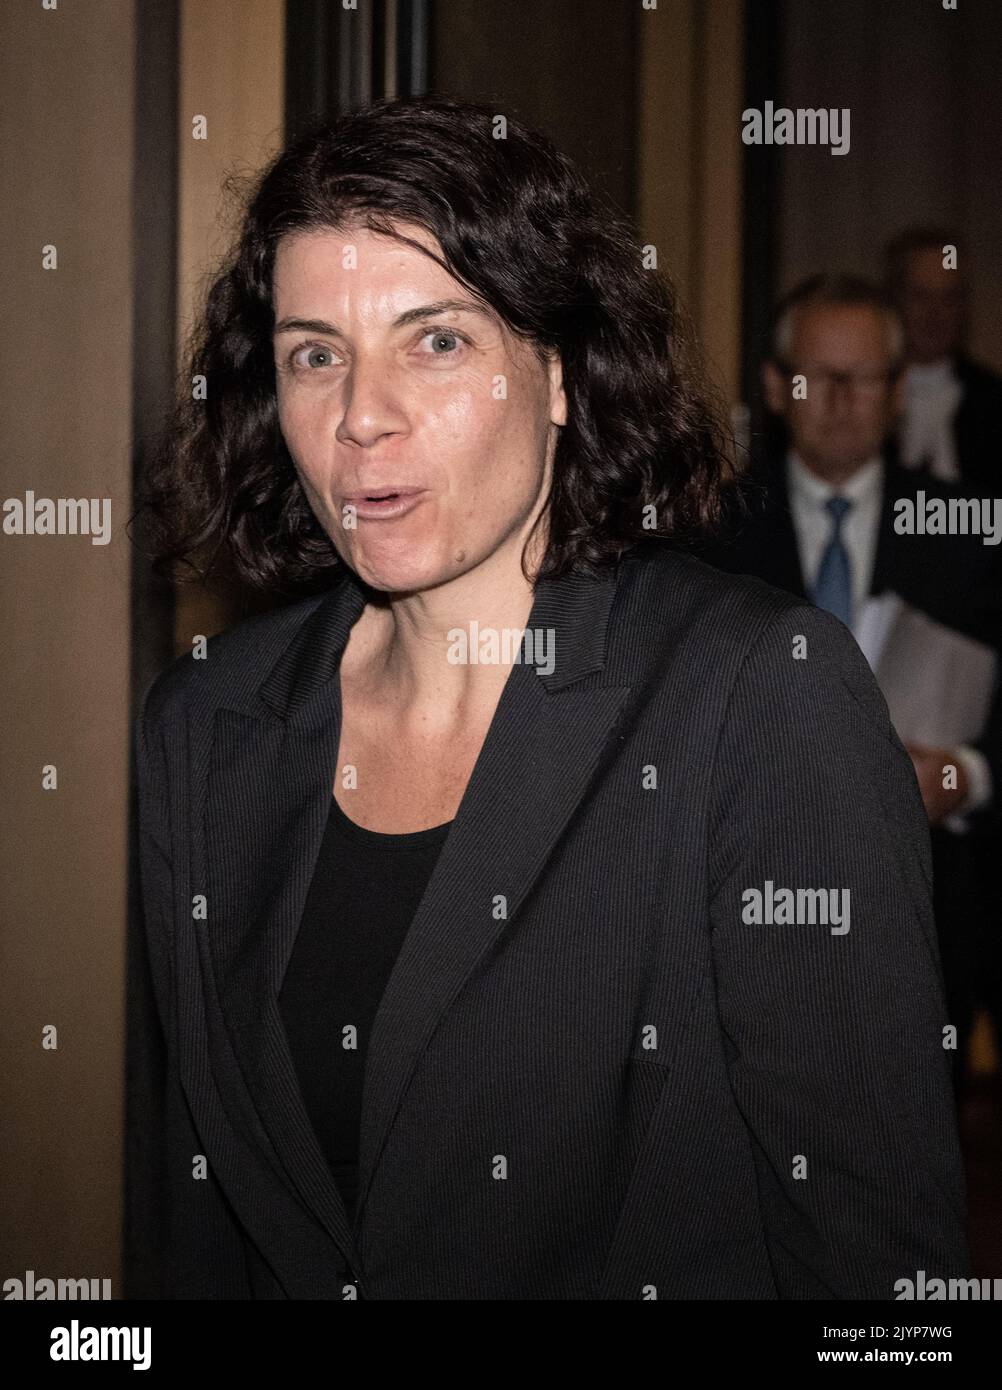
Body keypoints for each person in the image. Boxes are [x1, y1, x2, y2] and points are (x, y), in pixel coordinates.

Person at [132, 96, 968, 1300]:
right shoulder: (205, 724)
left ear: (562, 374)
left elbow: (881, 1280)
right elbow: (206, 1220)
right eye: (316, 353)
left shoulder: (755, 700)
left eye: (436, 341)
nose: (361, 416)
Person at [695, 274, 1002, 1104]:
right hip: (749, 903)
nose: (837, 401)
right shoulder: (710, 533)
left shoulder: (970, 532)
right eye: (815, 377)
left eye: (862, 378)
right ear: (775, 387)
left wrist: (966, 773)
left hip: (930, 912)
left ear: (898, 391)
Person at [884, 227, 1002, 491]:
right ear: (893, 298)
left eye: (949, 297)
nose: (935, 313)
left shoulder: (993, 399)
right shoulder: (866, 394)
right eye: (920, 296)